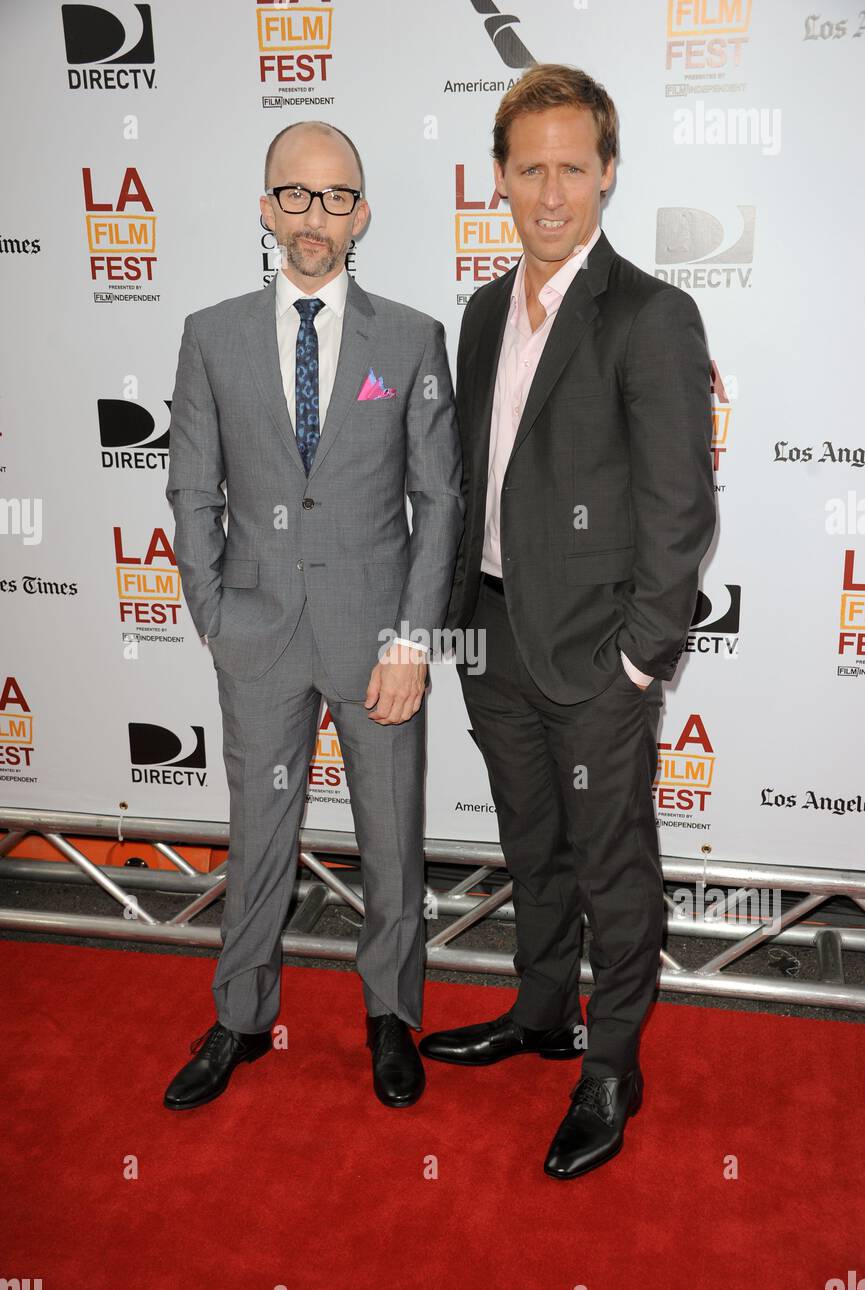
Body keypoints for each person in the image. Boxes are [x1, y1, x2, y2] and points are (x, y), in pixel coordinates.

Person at [419, 65, 716, 1177]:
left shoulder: (649, 314)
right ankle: (542, 1011)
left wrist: (639, 664)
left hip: (595, 657)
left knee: (611, 864)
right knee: (530, 847)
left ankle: (613, 1062)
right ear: (498, 177)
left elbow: (679, 510)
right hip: (489, 635)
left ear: (606, 173)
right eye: (529, 168)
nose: (551, 193)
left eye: (572, 169)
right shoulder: (485, 308)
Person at [164, 120, 463, 1112]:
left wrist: (416, 637)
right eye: (295, 194)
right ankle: (241, 1020)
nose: (314, 216)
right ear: (265, 207)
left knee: (389, 837)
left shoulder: (413, 338)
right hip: (255, 632)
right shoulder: (209, 336)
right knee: (257, 836)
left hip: (380, 636)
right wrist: (213, 613)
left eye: (336, 198)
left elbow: (441, 502)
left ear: (361, 216)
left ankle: (389, 1016)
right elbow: (190, 491)